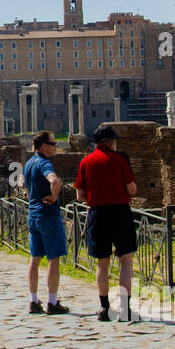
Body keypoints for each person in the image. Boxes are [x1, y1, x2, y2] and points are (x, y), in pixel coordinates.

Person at [75, 125, 138, 322]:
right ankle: (126, 309)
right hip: (120, 211)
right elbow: (132, 189)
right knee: (125, 260)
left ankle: (104, 308)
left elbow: (80, 195)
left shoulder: (86, 162)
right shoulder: (119, 159)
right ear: (109, 142)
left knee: (102, 263)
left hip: (97, 214)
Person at [23, 130, 70, 316]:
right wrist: (53, 195)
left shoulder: (28, 164)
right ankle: (52, 301)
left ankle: (33, 300)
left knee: (34, 259)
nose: (55, 147)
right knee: (53, 259)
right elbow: (55, 181)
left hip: (33, 215)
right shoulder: (44, 163)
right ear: (43, 146)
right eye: (53, 144)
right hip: (48, 215)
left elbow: (25, 187)